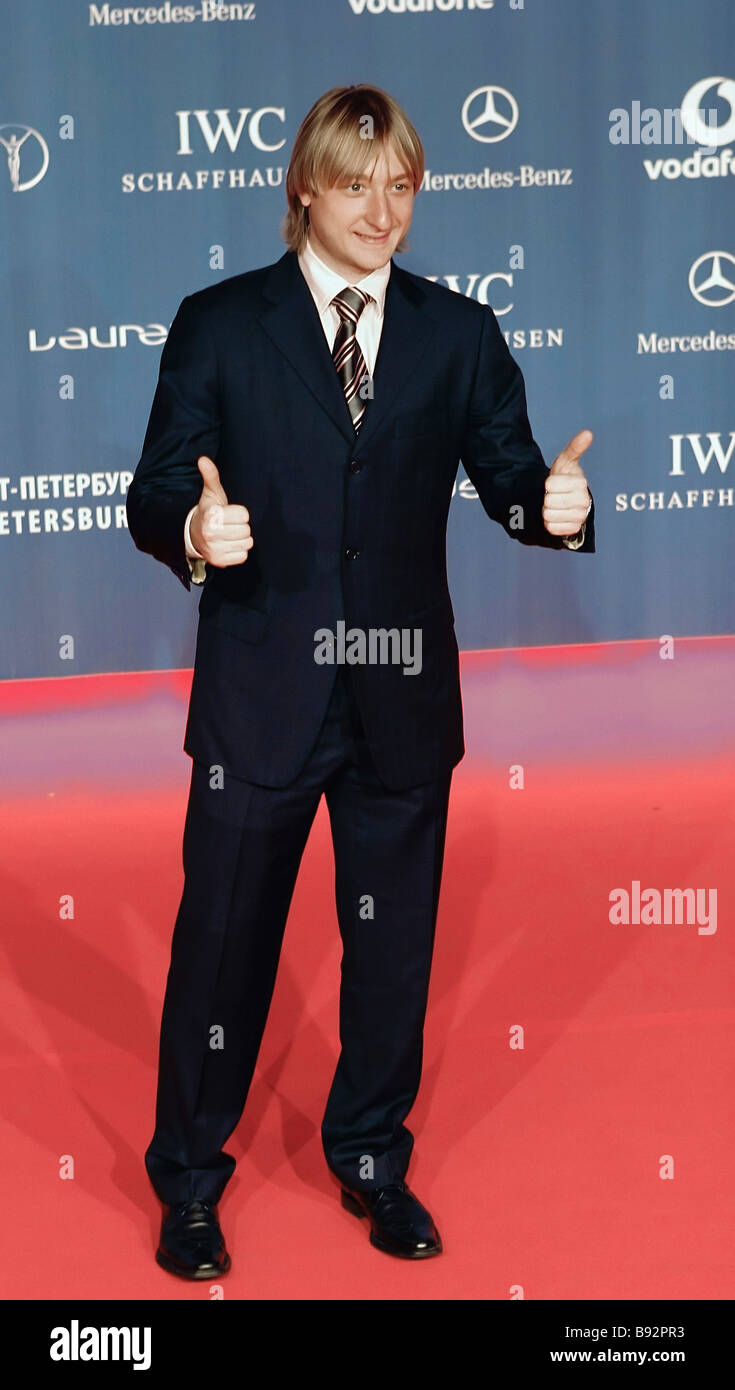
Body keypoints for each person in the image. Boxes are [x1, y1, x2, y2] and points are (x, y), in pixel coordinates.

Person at [126, 83, 594, 1280]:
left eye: (401, 186)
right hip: (260, 695)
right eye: (355, 184)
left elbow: (510, 477)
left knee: (393, 951)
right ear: (305, 188)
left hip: (399, 694)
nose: (382, 209)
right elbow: (155, 489)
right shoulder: (221, 325)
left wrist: (551, 512)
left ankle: (373, 1157)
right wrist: (195, 530)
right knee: (222, 947)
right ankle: (189, 1181)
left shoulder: (457, 331)